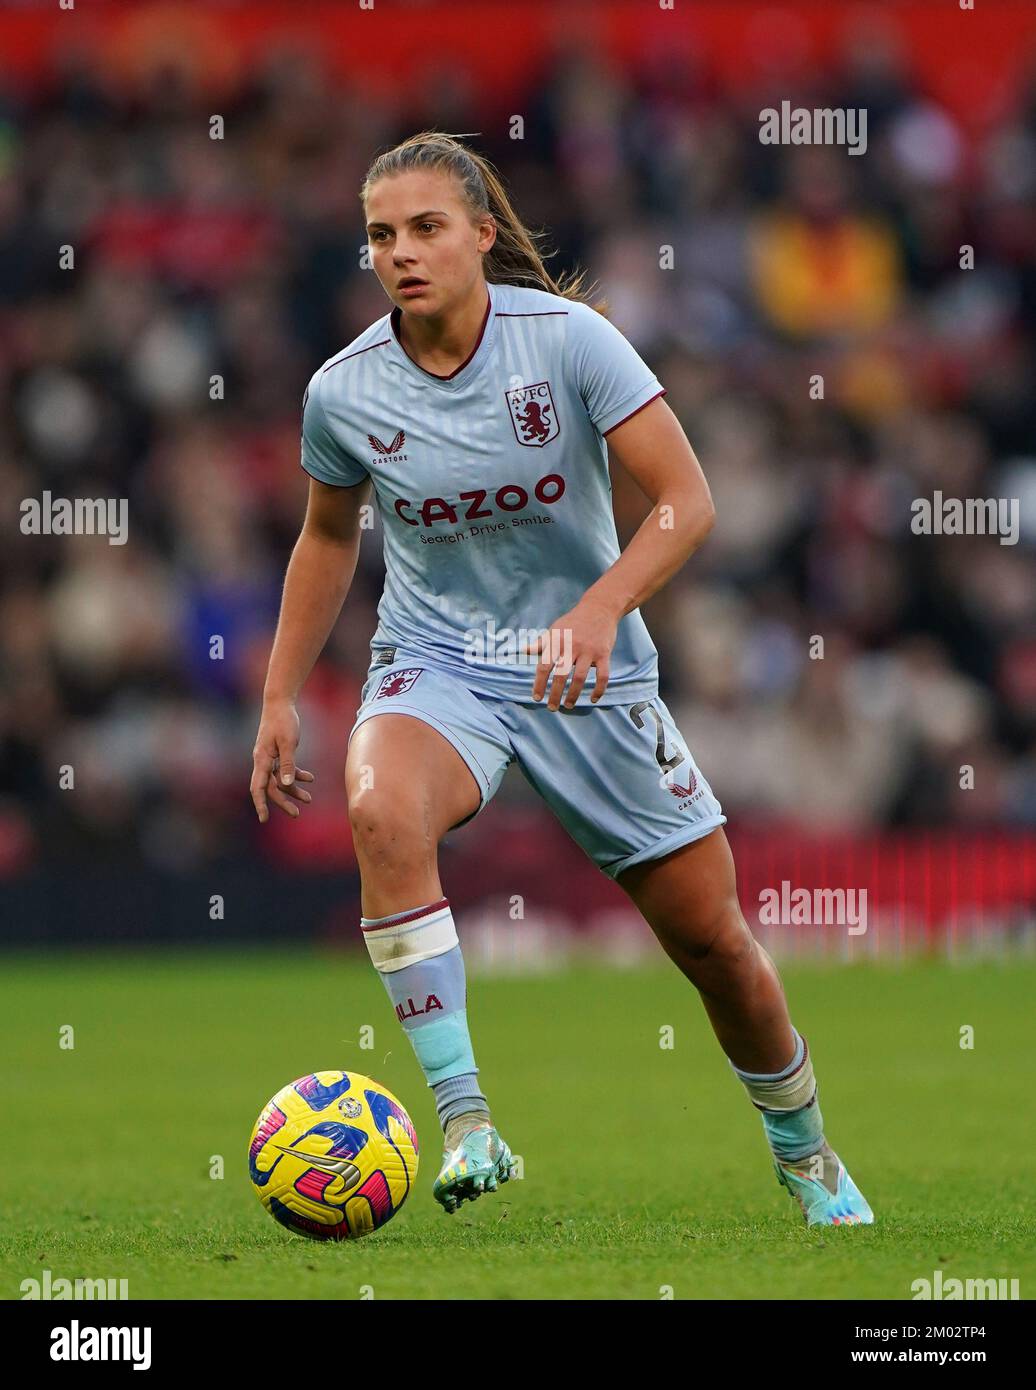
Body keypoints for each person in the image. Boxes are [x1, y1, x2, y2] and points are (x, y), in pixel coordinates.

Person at [251, 132, 872, 1227]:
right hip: (438, 663)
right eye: (381, 235)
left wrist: (599, 607)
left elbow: (686, 501)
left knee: (713, 944)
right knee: (379, 810)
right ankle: (466, 1122)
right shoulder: (342, 392)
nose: (402, 252)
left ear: (483, 235)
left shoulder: (572, 341)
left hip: (592, 676)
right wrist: (278, 692)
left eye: (427, 228)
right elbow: (325, 535)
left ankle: (806, 1152)